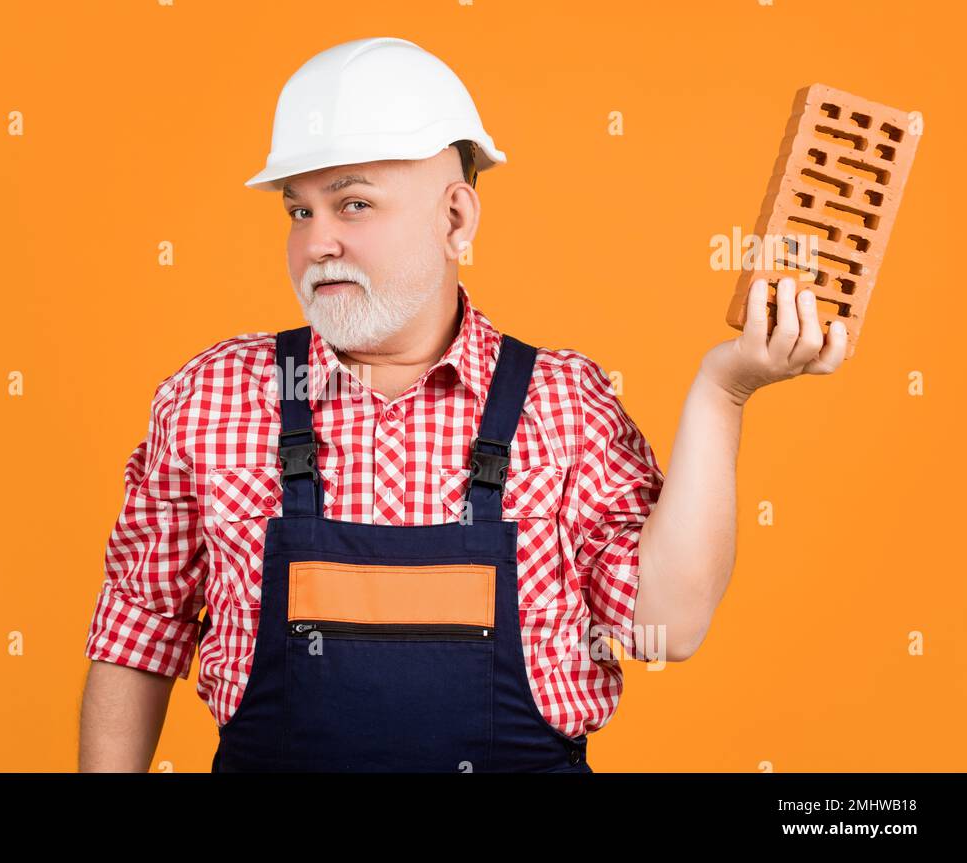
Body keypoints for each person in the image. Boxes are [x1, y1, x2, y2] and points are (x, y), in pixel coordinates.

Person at [77, 37, 848, 773]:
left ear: (456, 218)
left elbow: (668, 626)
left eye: (352, 205)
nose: (316, 243)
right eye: (298, 210)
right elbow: (137, 634)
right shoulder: (214, 396)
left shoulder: (563, 402)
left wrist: (724, 390)